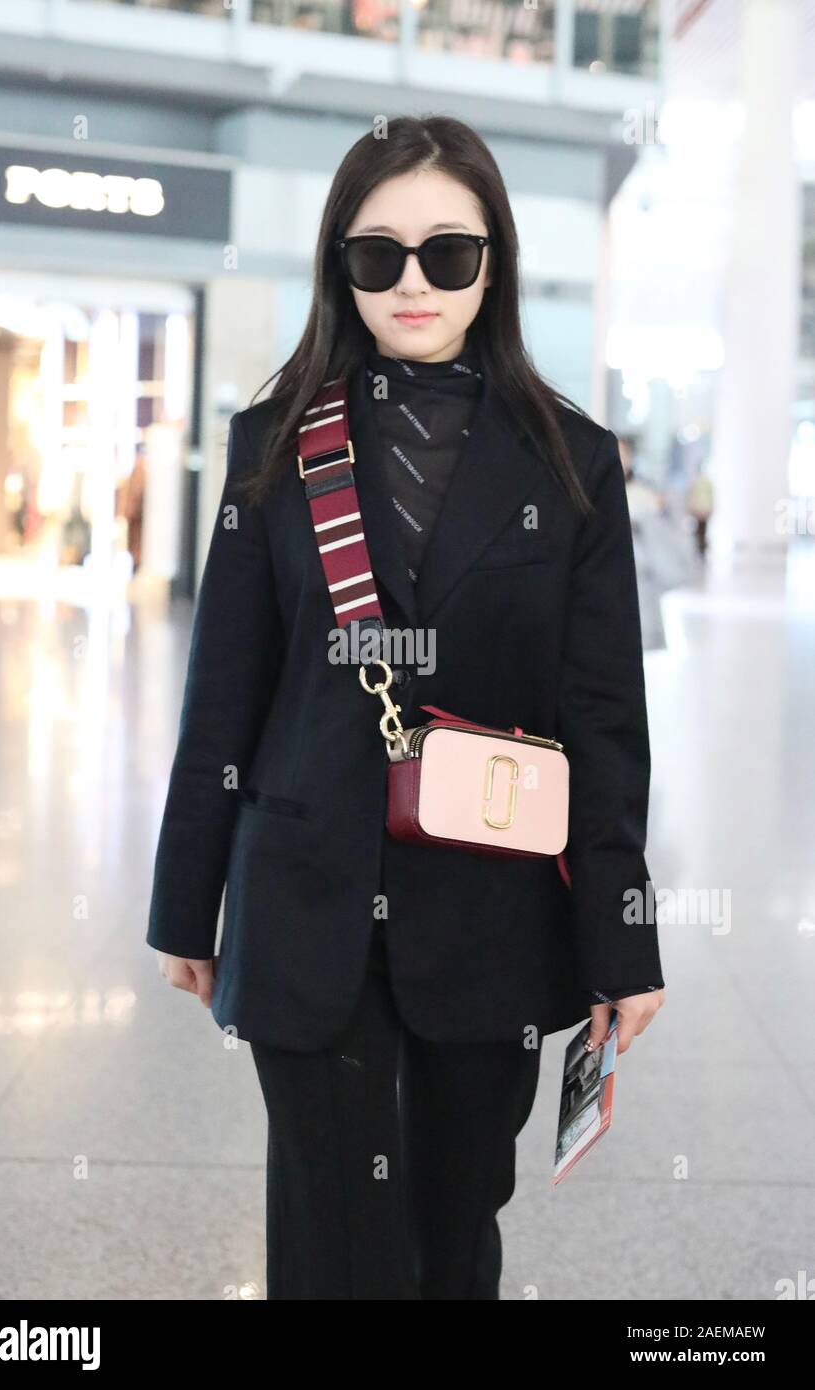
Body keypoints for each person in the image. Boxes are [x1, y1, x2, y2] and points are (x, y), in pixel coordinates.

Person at [146, 115, 665, 1300]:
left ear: (496, 262)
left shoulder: (574, 467)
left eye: (448, 252)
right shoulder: (269, 449)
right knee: (326, 1232)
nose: (413, 283)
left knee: (452, 1226)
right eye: (376, 256)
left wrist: (621, 941)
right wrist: (185, 902)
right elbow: (222, 694)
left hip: (488, 912)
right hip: (304, 895)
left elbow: (604, 725)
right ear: (339, 266)